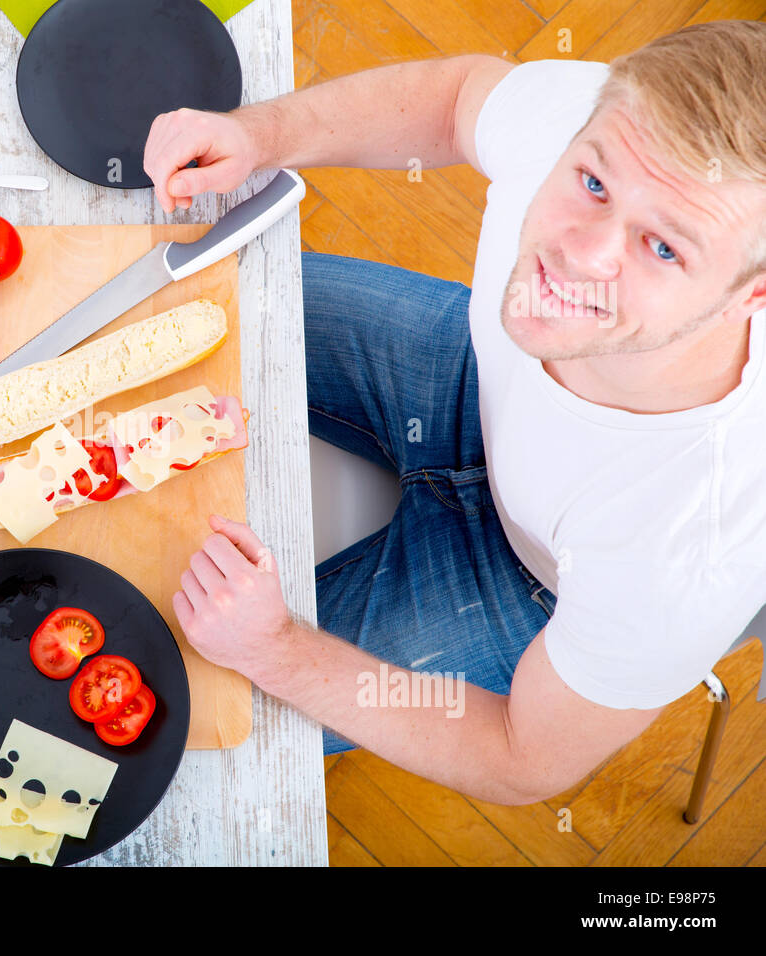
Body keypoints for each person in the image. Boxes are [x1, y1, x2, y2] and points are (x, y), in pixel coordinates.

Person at [146, 21, 766, 805]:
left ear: (753, 294)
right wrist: (258, 133)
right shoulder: (626, 132)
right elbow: (453, 102)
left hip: (532, 585)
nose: (581, 253)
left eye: (664, 249)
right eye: (593, 186)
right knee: (175, 309)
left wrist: (279, 651)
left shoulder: (689, 554)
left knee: (172, 682)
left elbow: (522, 758)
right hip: (467, 374)